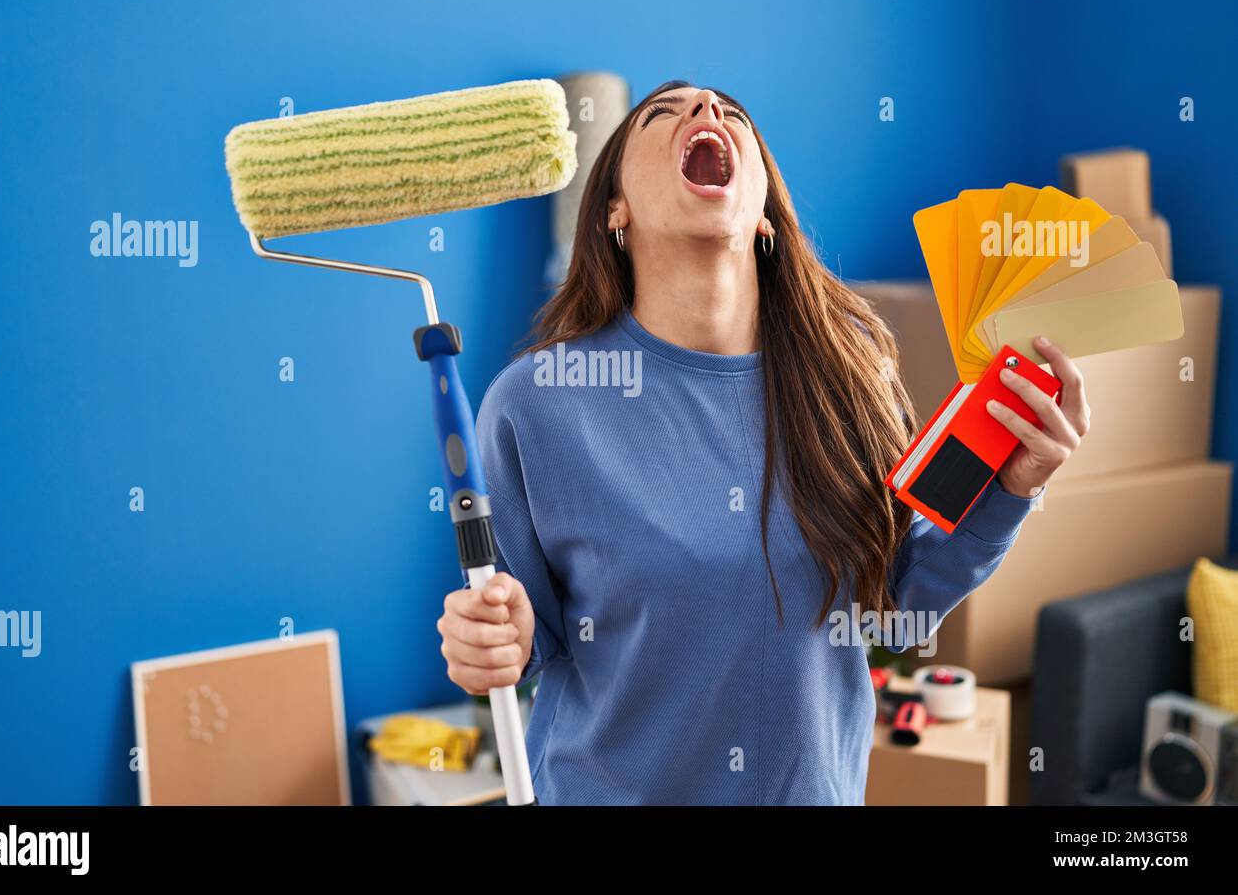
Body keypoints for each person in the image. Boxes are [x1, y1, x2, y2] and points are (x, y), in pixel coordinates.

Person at [436, 80, 1090, 804]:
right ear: (614, 211)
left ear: (766, 218)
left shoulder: (848, 381)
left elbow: (897, 607)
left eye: (732, 113)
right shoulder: (536, 404)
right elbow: (525, 633)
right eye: (662, 112)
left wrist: (1013, 486)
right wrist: (497, 640)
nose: (707, 112)